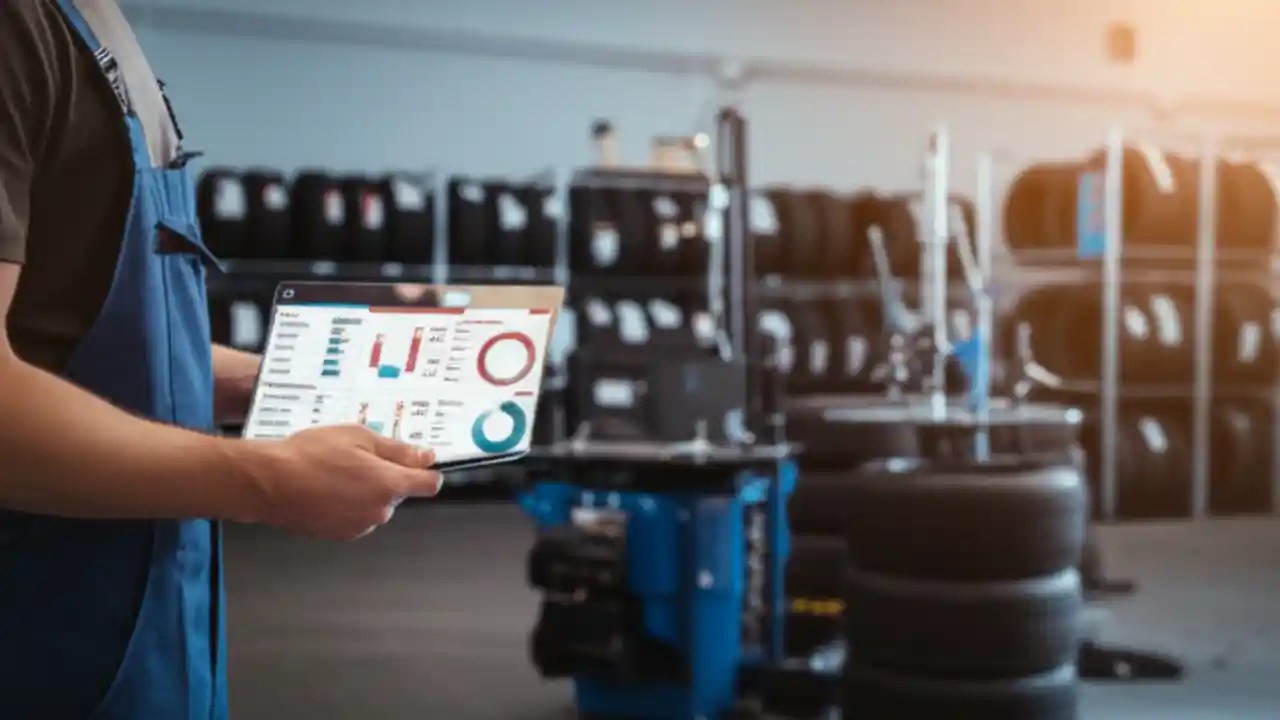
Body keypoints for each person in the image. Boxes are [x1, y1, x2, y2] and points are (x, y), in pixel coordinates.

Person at [0, 2, 443, 718]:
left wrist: (281, 386)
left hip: (155, 622)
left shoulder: (100, 25)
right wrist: (266, 480)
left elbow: (72, 334)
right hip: (40, 633)